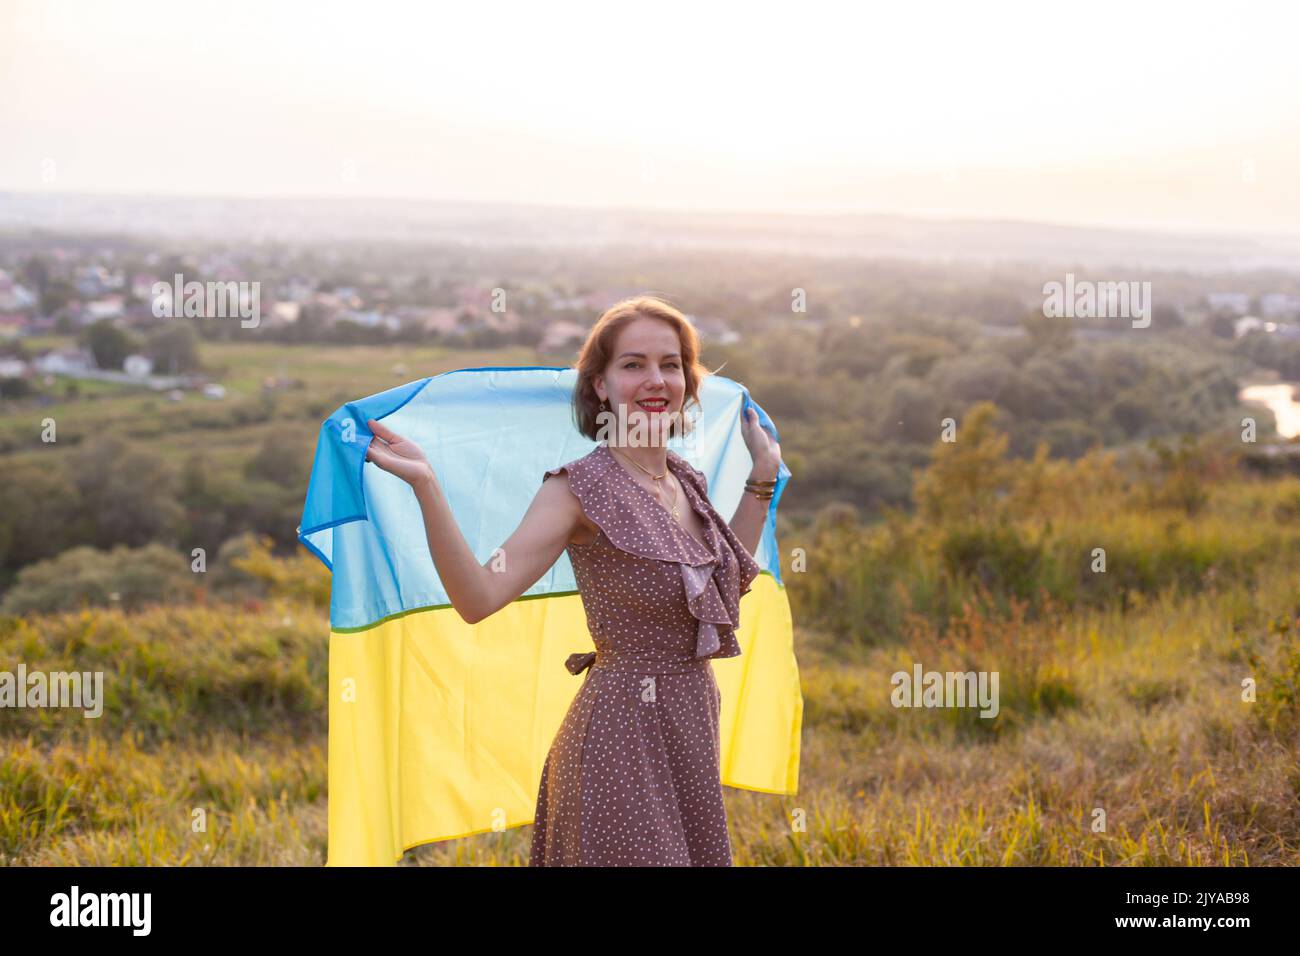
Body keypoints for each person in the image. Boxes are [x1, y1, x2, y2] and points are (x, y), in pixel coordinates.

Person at [362, 295, 782, 865]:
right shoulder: (577, 489)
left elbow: (726, 589)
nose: (655, 380)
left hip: (690, 724)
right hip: (619, 739)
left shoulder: (687, 480)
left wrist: (761, 478)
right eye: (632, 365)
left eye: (670, 364)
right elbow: (478, 598)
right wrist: (426, 486)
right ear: (600, 386)